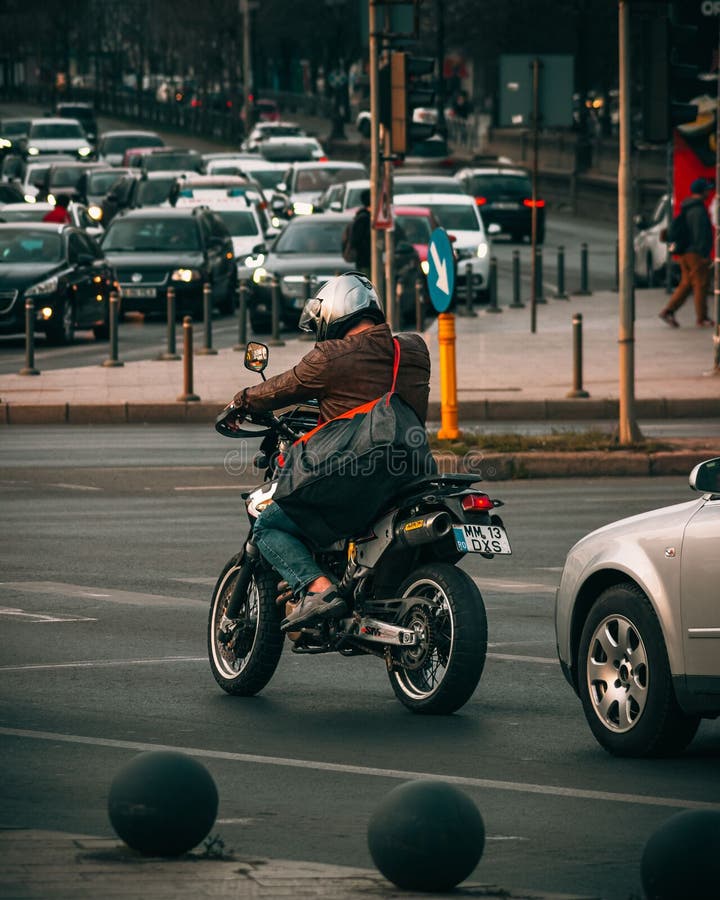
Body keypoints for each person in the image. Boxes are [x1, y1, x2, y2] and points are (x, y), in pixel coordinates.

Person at [229, 271, 431, 631]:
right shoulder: (413, 350)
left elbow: (283, 387)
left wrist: (242, 400)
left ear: (334, 312)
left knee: (269, 525)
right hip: (411, 471)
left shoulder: (330, 355)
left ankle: (319, 590)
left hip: (356, 474)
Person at [659, 178, 714, 328]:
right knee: (701, 284)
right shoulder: (697, 210)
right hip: (694, 253)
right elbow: (699, 233)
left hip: (685, 252)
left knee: (686, 284)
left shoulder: (688, 207)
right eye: (707, 189)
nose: (709, 192)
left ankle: (668, 311)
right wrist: (703, 254)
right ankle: (702, 318)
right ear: (702, 191)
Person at [347, 188, 371, 277]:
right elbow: (356, 240)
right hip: (365, 261)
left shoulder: (364, 217)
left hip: (366, 261)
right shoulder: (363, 218)